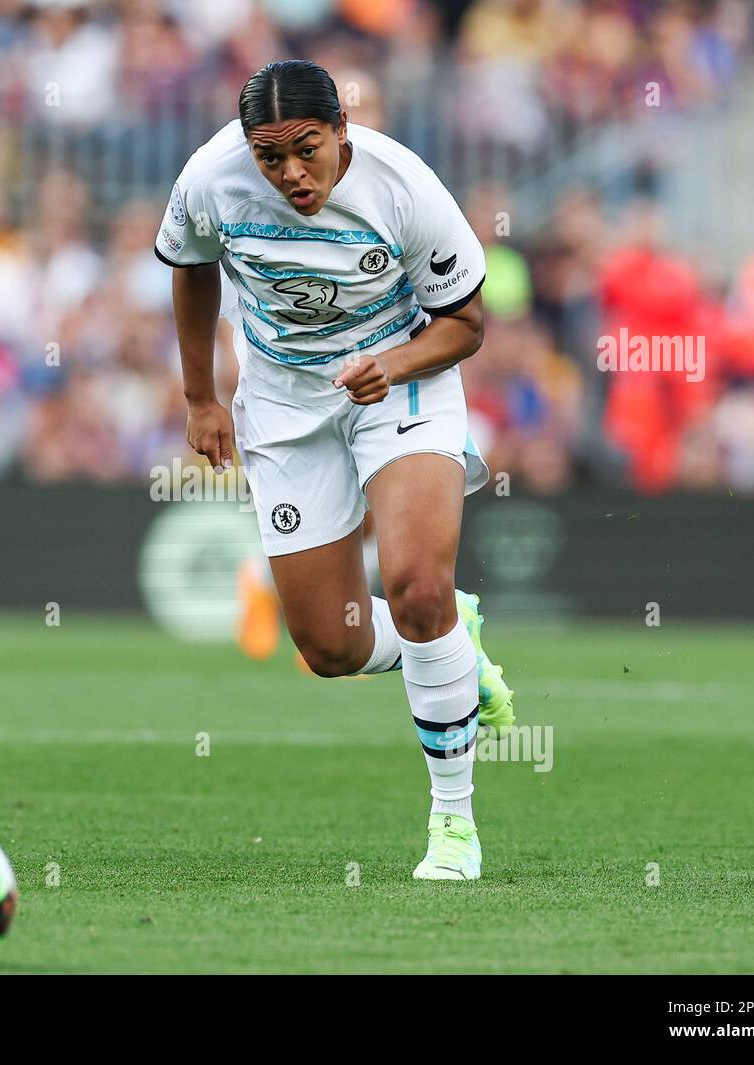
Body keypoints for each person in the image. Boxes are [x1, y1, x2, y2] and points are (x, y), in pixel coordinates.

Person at [156, 60, 513, 881]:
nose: (289, 174)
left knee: (418, 586)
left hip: (402, 382)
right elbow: (191, 265)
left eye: (306, 151)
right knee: (330, 646)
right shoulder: (210, 180)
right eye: (268, 157)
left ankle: (453, 826)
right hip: (284, 406)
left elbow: (465, 323)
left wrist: (393, 361)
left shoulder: (405, 188)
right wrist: (200, 396)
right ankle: (454, 641)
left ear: (341, 132)